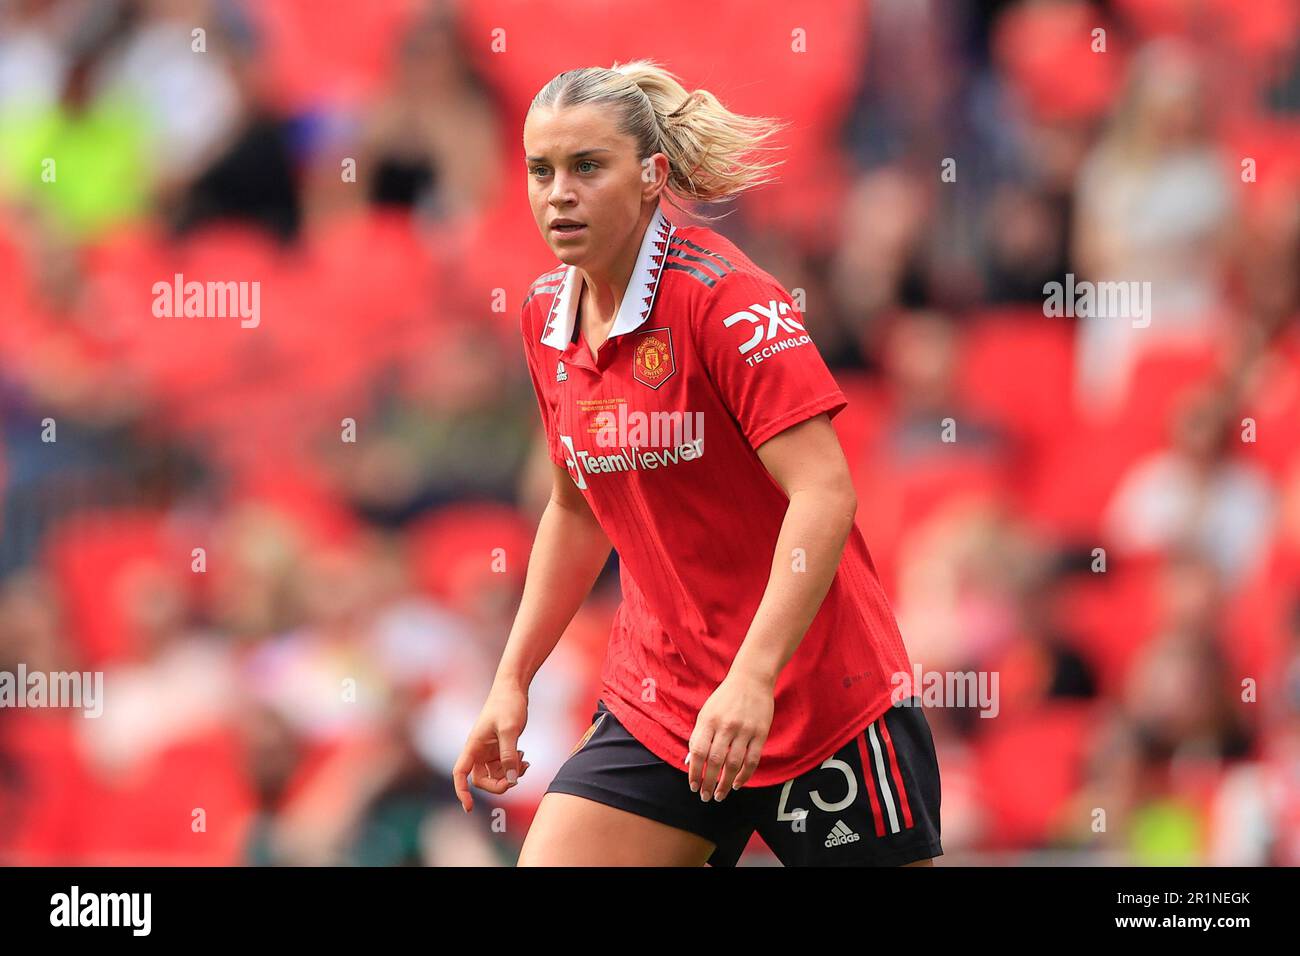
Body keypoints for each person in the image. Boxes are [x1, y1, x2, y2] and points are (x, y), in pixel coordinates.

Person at [452, 60, 942, 867]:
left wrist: (753, 679)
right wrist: (513, 678)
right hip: (665, 702)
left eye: (587, 167)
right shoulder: (545, 316)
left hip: (819, 703)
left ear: (650, 178)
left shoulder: (727, 300)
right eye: (541, 170)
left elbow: (824, 493)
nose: (558, 193)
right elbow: (575, 511)